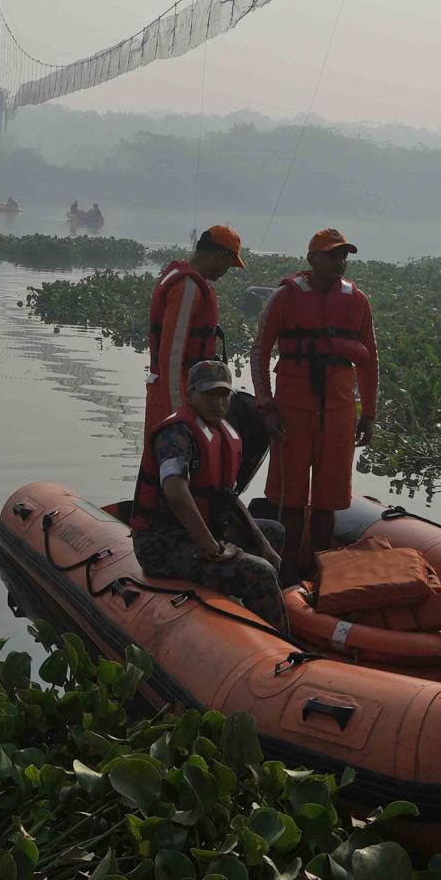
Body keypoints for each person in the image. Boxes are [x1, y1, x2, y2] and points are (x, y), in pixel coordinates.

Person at [249, 228, 377, 580]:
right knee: (290, 502)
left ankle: (319, 575)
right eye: (331, 255)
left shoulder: (358, 300)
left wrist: (369, 413)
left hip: (339, 412)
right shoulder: (285, 297)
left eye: (343, 256)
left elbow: (370, 360)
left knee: (328, 503)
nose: (339, 262)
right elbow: (260, 351)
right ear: (311, 258)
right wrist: (266, 407)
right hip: (291, 413)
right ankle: (286, 574)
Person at [130, 360, 284, 626]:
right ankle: (277, 639)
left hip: (200, 533)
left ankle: (254, 613)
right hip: (163, 543)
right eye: (209, 394)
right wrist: (211, 546)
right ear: (190, 395)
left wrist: (262, 542)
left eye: (223, 395)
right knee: (261, 571)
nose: (218, 402)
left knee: (273, 532)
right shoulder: (175, 435)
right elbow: (176, 493)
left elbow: (228, 496)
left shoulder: (221, 432)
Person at [143, 224, 243, 442]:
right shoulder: (187, 288)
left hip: (185, 392)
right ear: (221, 256)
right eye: (229, 264)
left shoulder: (188, 281)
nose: (226, 271)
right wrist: (178, 416)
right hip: (172, 396)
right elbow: (171, 358)